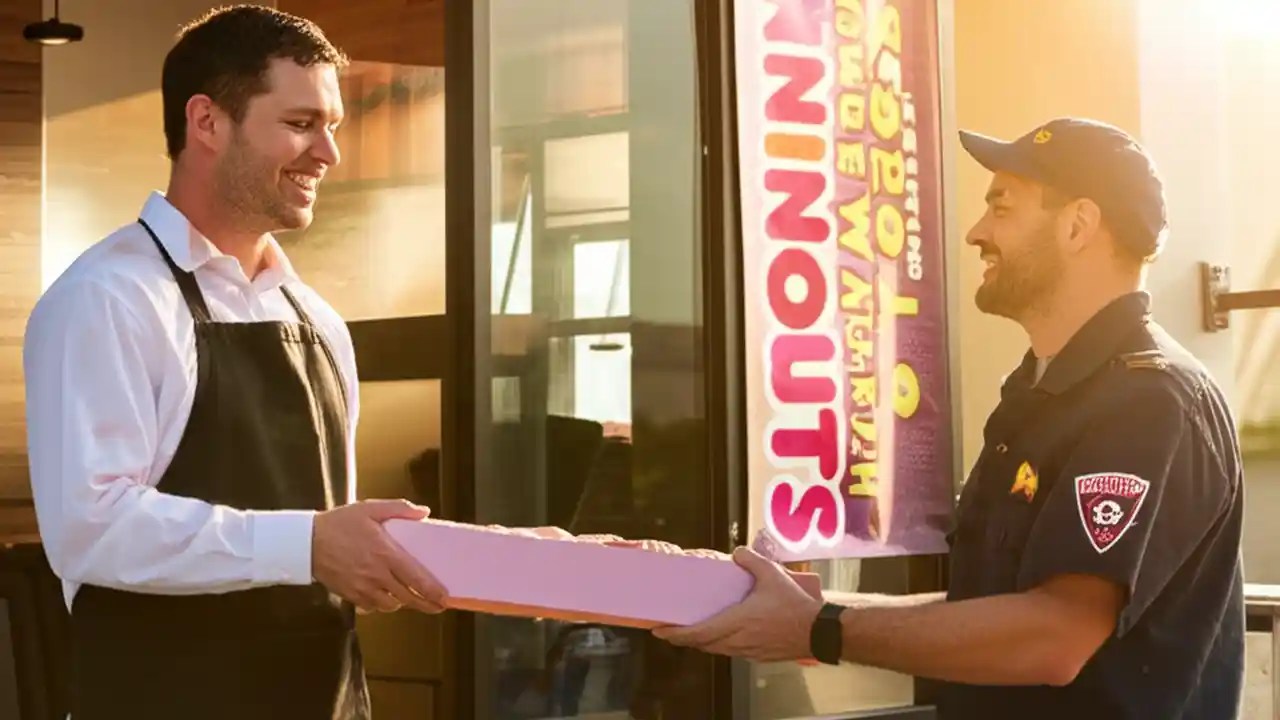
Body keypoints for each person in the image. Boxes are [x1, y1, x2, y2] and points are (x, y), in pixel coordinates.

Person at [654, 118, 1245, 719]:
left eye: (1001, 208)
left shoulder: (1149, 401)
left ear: (1077, 226)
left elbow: (1055, 635)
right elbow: (985, 610)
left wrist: (818, 627)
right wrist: (795, 608)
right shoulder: (1042, 392)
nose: (976, 232)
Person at [22, 6, 446, 718]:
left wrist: (506, 560)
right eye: (301, 123)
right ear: (207, 122)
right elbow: (91, 529)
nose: (329, 153)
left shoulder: (318, 321)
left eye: (333, 126)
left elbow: (330, 539)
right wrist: (307, 544)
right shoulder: (108, 298)